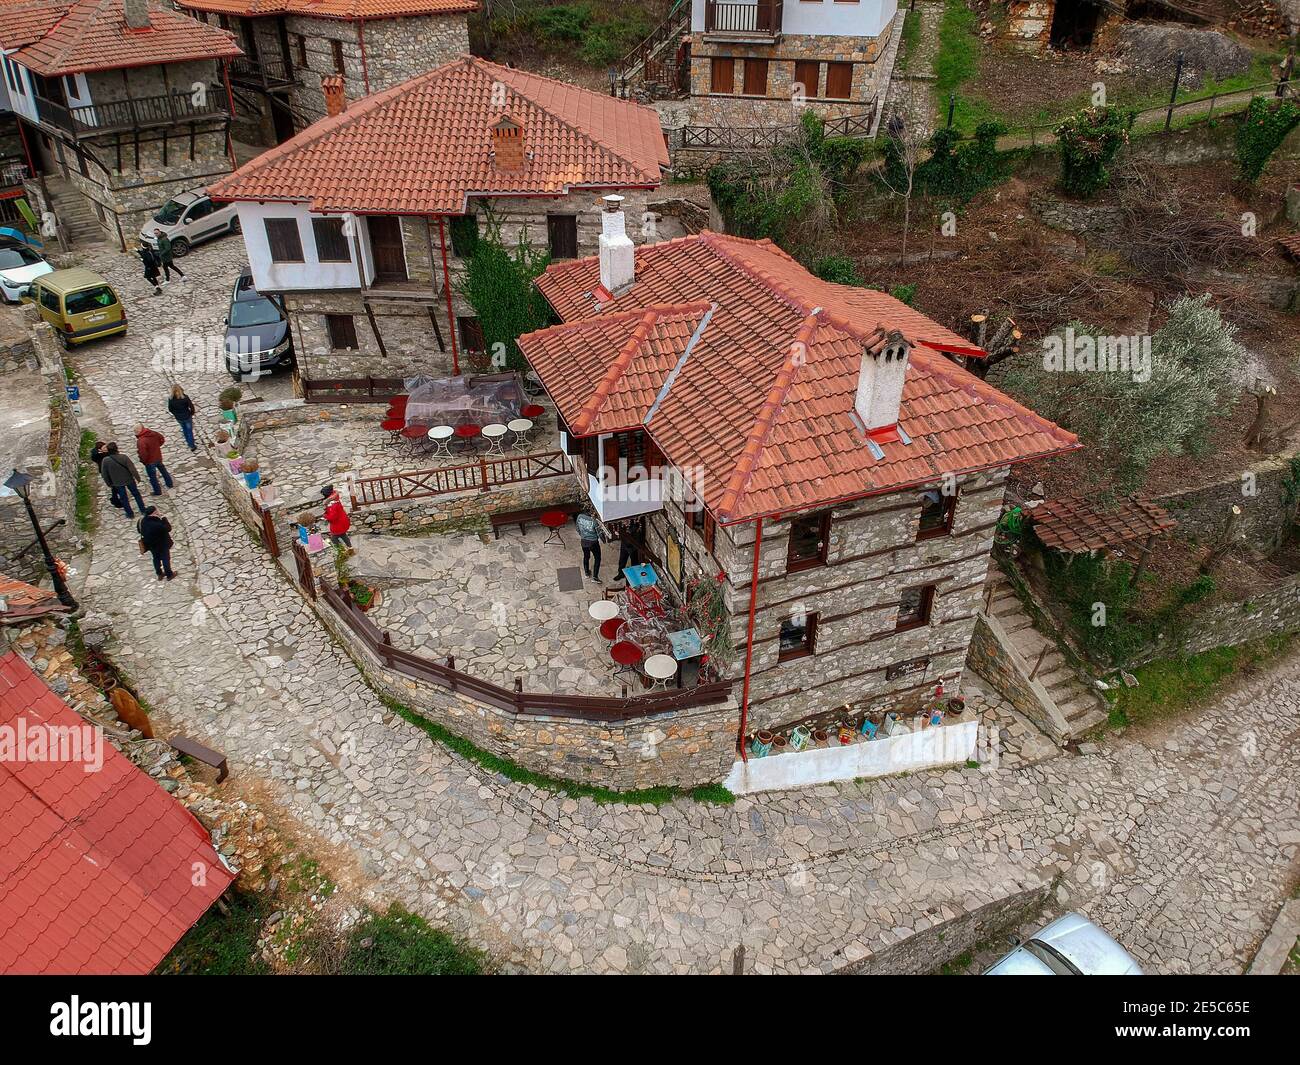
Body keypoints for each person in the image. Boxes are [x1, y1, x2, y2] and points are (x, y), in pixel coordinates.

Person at [100, 442, 146, 518]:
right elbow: (132, 469)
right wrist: (137, 478)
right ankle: (143, 510)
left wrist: (109, 483)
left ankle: (130, 514)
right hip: (129, 479)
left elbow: (104, 474)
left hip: (117, 482)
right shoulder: (124, 457)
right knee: (136, 494)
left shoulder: (105, 460)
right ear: (116, 449)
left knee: (123, 498)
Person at [137, 506, 175, 580]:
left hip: (150, 545)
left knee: (156, 559)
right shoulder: (157, 524)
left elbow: (139, 530)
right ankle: (169, 574)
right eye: (157, 510)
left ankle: (159, 574)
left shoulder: (142, 521)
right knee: (165, 559)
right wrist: (163, 518)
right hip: (161, 545)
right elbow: (168, 528)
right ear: (154, 512)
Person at [576, 509, 606, 583]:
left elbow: (577, 528)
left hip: (583, 541)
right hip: (593, 543)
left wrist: (583, 536)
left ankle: (586, 573)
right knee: (597, 558)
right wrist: (604, 540)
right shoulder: (594, 520)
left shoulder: (579, 516)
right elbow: (599, 533)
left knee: (586, 556)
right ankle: (595, 577)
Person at [321, 485, 353, 551]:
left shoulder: (332, 505)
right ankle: (350, 547)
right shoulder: (335, 498)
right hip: (342, 520)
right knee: (343, 535)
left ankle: (341, 550)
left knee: (334, 539)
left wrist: (325, 516)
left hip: (338, 524)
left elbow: (333, 517)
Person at [167, 385, 197, 451]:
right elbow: (191, 406)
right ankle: (192, 445)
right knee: (189, 431)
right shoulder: (185, 398)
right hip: (187, 417)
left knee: (184, 430)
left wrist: (175, 414)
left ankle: (189, 442)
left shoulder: (171, 399)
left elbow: (170, 409)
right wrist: (191, 413)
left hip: (179, 418)